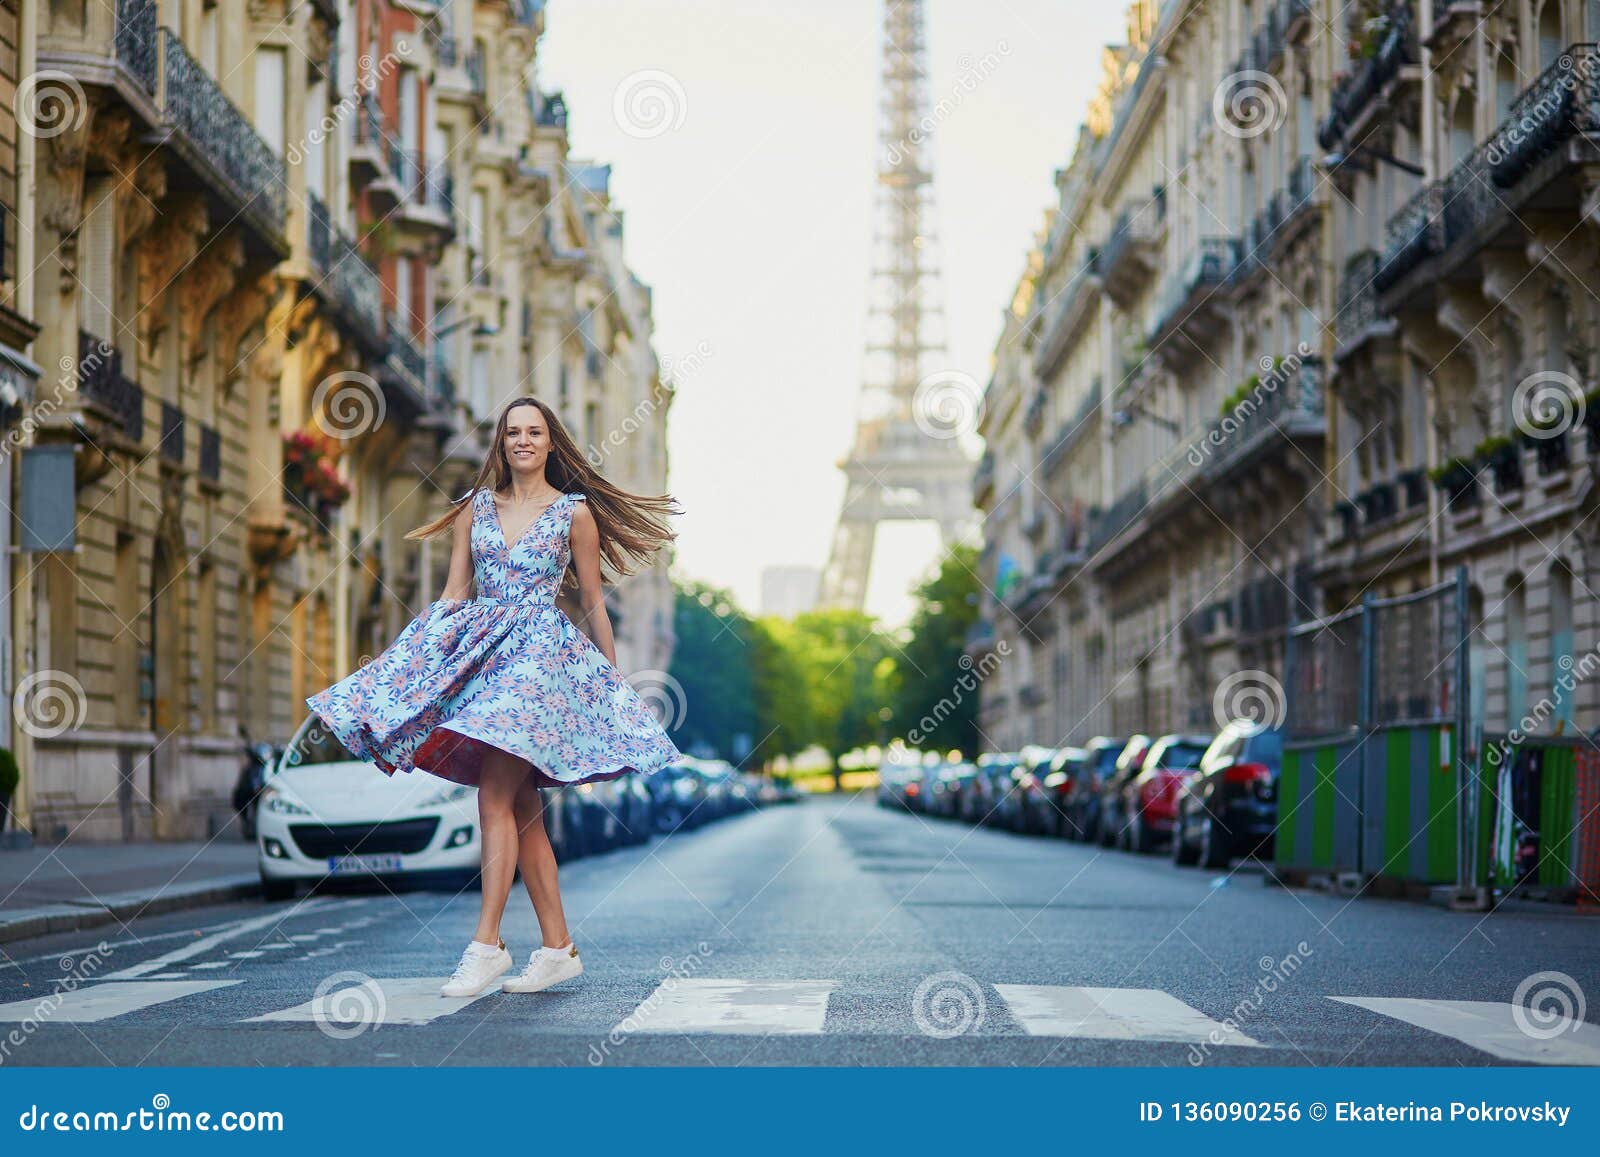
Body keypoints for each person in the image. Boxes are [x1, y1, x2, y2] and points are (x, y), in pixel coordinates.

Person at [305, 396, 684, 998]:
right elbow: (456, 592)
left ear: (551, 443)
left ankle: (486, 945)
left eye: (535, 432)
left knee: (494, 795)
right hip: (484, 658)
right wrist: (409, 660)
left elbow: (591, 603)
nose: (524, 441)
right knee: (524, 811)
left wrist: (610, 684)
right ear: (502, 443)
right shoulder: (473, 509)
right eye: (513, 432)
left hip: (537, 664)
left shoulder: (574, 514)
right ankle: (558, 948)